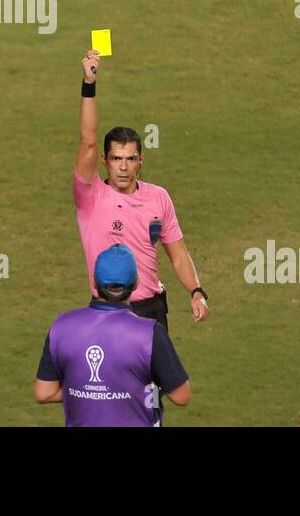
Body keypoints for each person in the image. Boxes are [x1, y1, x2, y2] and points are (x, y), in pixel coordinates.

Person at [74, 47, 209, 333]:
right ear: (104, 160)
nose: (123, 167)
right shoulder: (90, 196)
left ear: (140, 161)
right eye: (116, 159)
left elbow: (177, 252)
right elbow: (88, 141)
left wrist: (196, 290)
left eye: (130, 159)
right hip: (107, 312)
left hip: (151, 312)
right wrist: (89, 84)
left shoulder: (158, 197)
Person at [35, 244, 190, 426]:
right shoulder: (150, 333)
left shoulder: (62, 326)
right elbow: (181, 396)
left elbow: (44, 392)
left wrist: (91, 391)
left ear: (94, 282)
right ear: (136, 283)